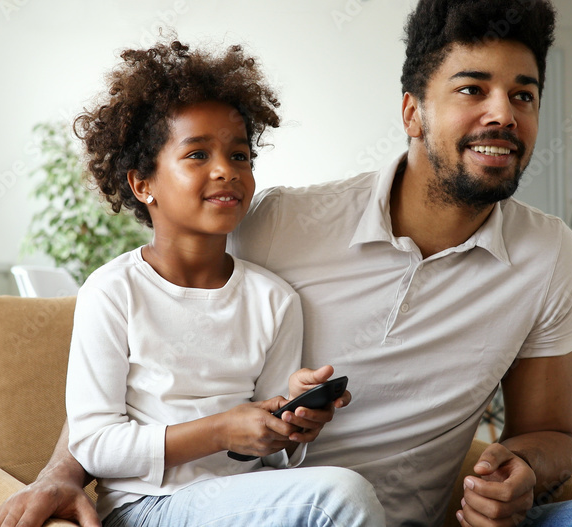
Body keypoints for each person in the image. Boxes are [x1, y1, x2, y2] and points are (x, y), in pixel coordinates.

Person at [0, 1, 572, 526]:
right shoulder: (280, 224)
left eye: (523, 94)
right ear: (412, 112)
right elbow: (162, 323)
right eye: (472, 89)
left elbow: (553, 434)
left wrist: (523, 468)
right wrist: (62, 468)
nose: (503, 114)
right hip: (285, 508)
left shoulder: (548, 254)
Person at [60, 40, 384, 527]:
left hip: (244, 499)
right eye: (197, 154)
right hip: (145, 507)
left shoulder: (275, 300)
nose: (225, 171)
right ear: (142, 184)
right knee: (341, 497)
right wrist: (220, 430)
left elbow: (268, 456)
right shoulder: (112, 291)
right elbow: (95, 445)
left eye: (239, 155)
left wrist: (289, 425)